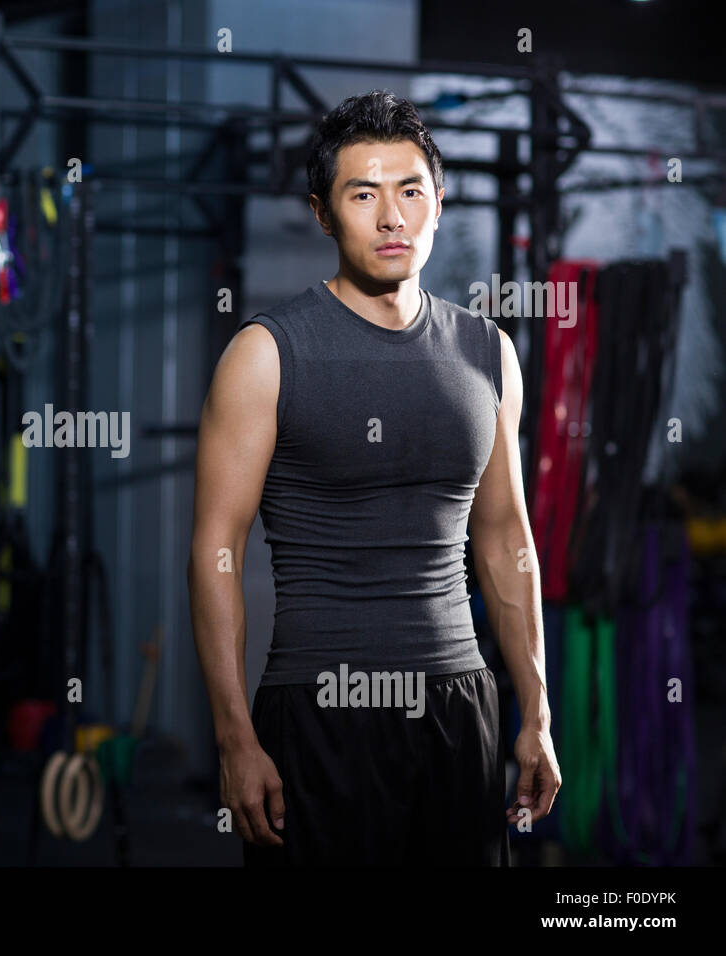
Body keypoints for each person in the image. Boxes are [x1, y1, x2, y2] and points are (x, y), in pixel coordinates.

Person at [187, 89, 561, 866]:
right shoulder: (266, 354)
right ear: (323, 214)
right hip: (321, 709)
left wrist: (537, 710)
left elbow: (503, 537)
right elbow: (216, 547)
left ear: (438, 201)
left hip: (461, 704)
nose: (393, 218)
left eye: (410, 190)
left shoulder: (488, 353)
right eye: (363, 194)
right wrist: (233, 735)